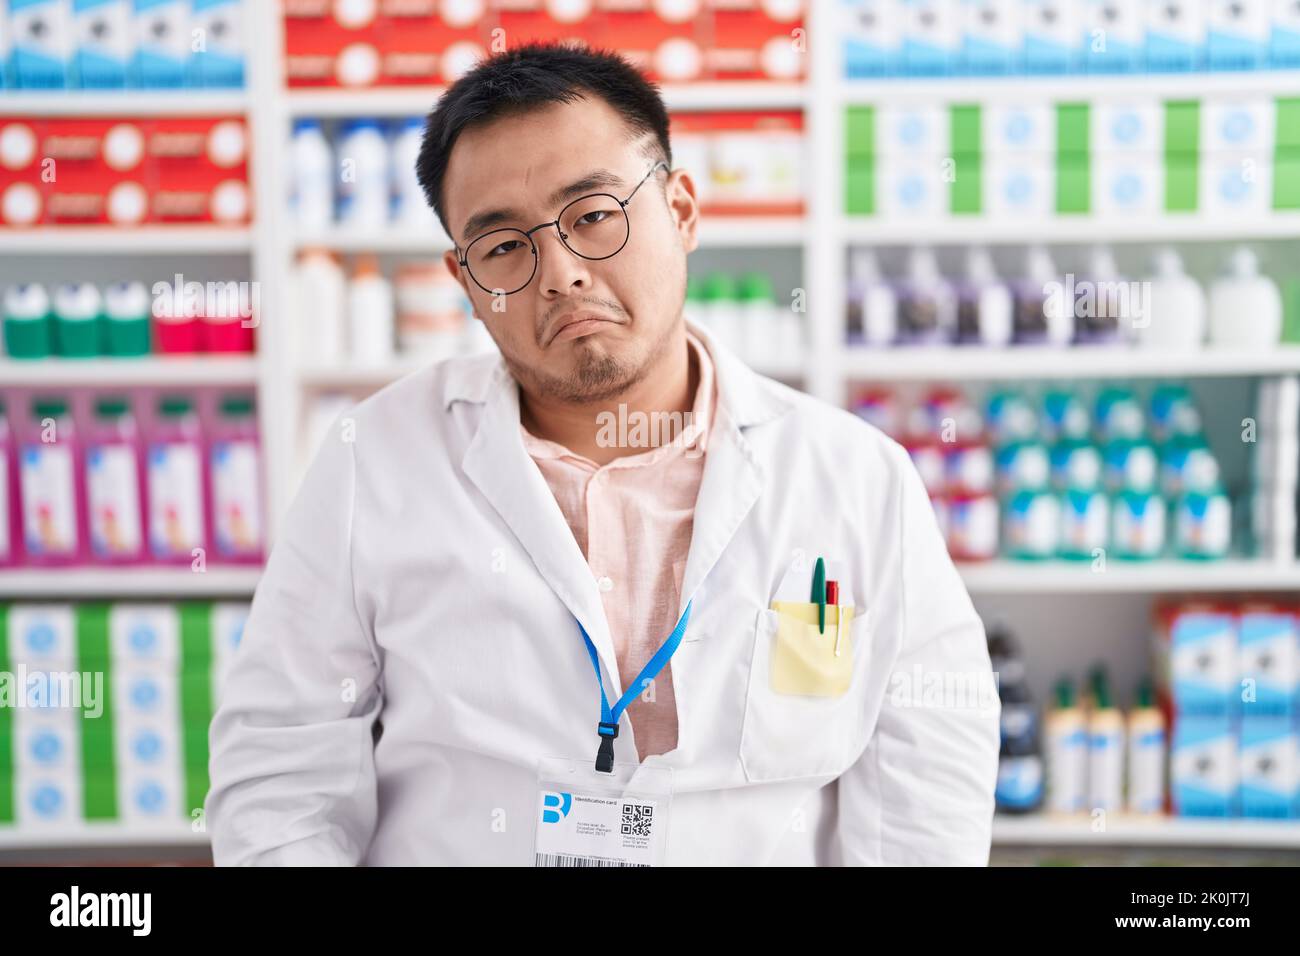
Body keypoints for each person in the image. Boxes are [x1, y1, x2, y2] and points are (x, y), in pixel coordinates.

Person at [206, 42, 999, 866]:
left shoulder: (856, 478)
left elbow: (926, 792)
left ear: (683, 210)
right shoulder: (372, 461)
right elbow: (281, 770)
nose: (560, 274)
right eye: (504, 247)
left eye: (591, 216)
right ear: (466, 281)